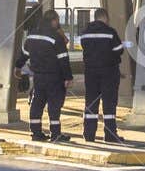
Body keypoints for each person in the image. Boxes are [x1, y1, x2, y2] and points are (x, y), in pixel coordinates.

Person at [15, 8, 73, 143]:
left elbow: (24, 54)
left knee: (37, 103)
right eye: (57, 21)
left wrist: (17, 67)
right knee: (54, 105)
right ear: (54, 21)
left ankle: (36, 132)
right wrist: (68, 77)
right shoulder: (56, 38)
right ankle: (55, 134)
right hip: (54, 77)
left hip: (38, 76)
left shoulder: (32, 36)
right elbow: (63, 59)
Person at [78, 7, 127, 145]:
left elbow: (84, 48)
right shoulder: (110, 32)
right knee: (109, 103)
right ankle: (110, 134)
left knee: (91, 102)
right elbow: (119, 50)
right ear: (105, 17)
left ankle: (89, 134)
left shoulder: (85, 33)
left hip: (90, 72)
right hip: (108, 72)